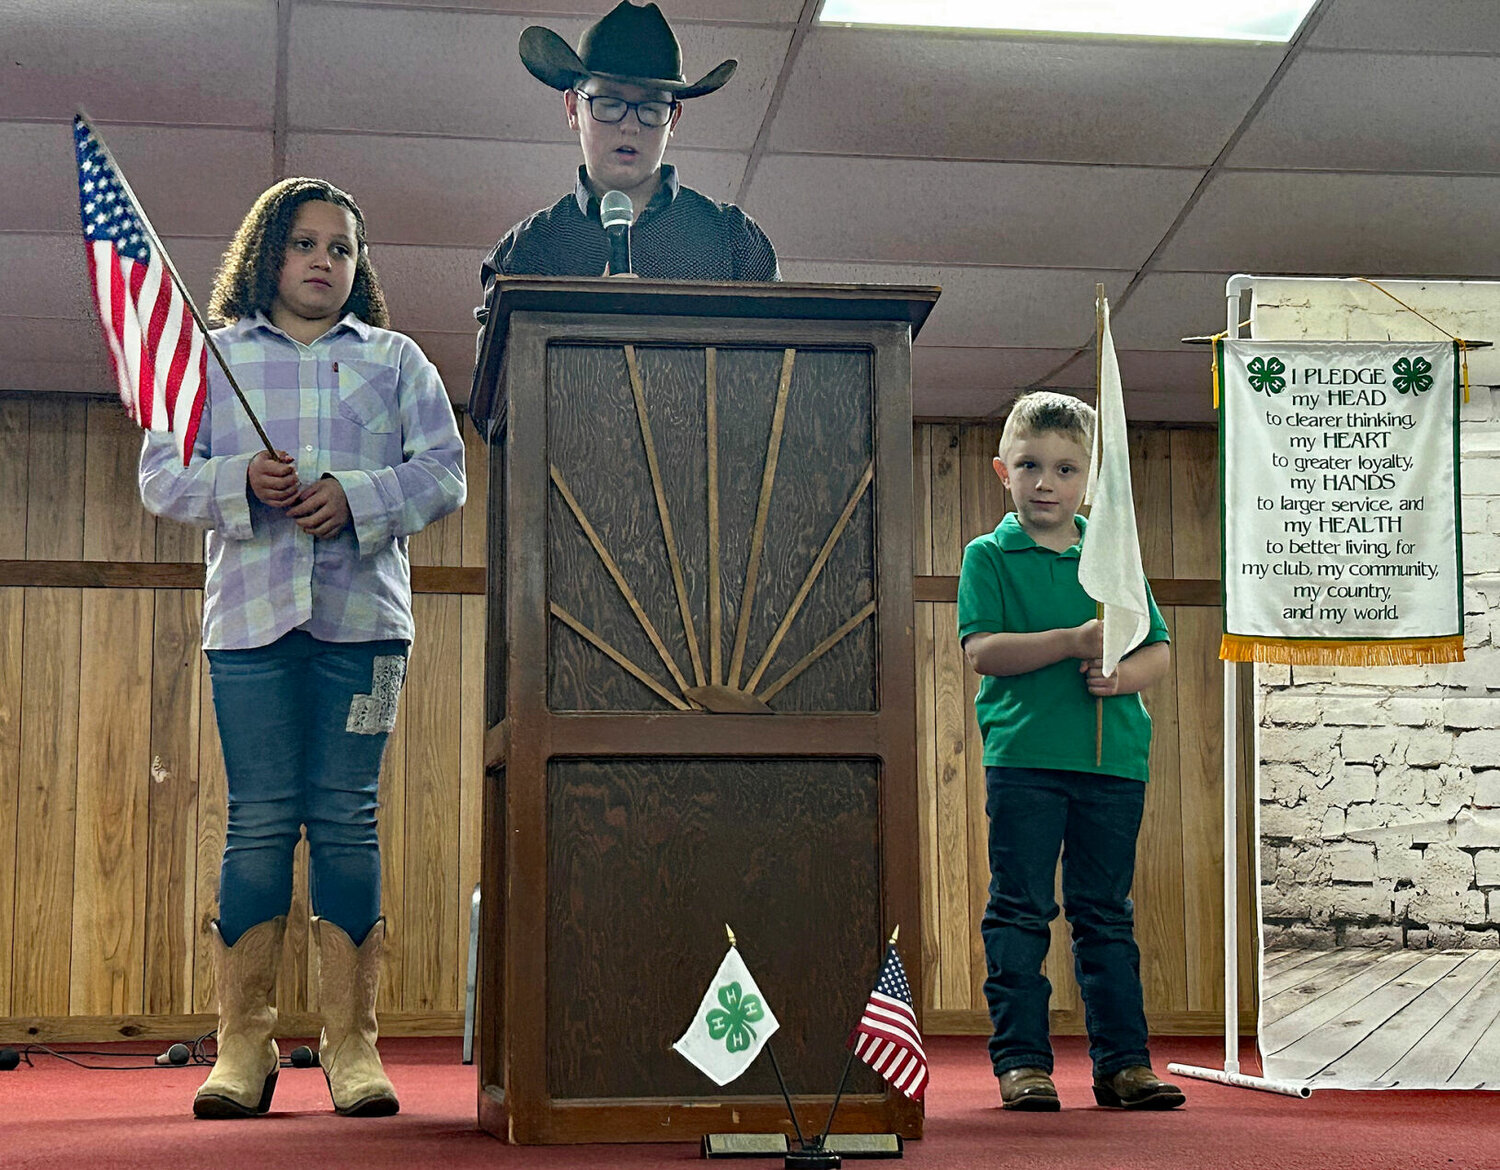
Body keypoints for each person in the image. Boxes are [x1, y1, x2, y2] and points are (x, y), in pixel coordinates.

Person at [139, 178, 466, 1120]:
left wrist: (359, 499)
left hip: (367, 632)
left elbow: (445, 473)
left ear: (360, 267)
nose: (325, 260)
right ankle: (243, 1045)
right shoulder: (210, 359)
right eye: (305, 243)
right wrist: (241, 478)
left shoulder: (398, 361)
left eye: (342, 248)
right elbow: (160, 478)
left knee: (348, 821)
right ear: (267, 254)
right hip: (249, 627)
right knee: (258, 823)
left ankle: (351, 1045)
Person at [957, 391, 1184, 1112]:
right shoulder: (988, 556)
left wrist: (1121, 678)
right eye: (1030, 466)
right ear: (1004, 471)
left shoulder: (1114, 558)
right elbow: (983, 651)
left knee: (1105, 915)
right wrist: (1072, 642)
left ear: (1090, 481)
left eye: (1065, 469)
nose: (1046, 483)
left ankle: (1124, 1065)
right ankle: (1023, 1062)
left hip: (1112, 764)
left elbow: (1158, 653)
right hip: (1025, 760)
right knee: (1021, 910)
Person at [477, 0, 780, 320]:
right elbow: (502, 353)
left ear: (674, 118)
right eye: (609, 104)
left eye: (651, 109)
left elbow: (783, 344)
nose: (630, 126)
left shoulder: (734, 239)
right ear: (572, 109)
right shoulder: (524, 252)